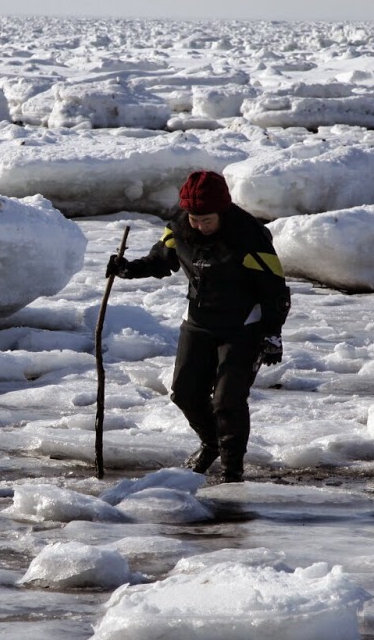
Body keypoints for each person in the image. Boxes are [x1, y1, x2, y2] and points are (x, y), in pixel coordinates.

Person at [107, 169, 290, 483]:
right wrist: (127, 269)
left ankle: (233, 473)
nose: (201, 226)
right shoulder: (179, 227)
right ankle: (211, 443)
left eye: (208, 220)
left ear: (223, 210)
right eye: (195, 219)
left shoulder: (249, 235)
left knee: (227, 401)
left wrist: (273, 333)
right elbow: (161, 260)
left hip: (243, 325)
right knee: (186, 393)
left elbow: (275, 290)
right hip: (199, 322)